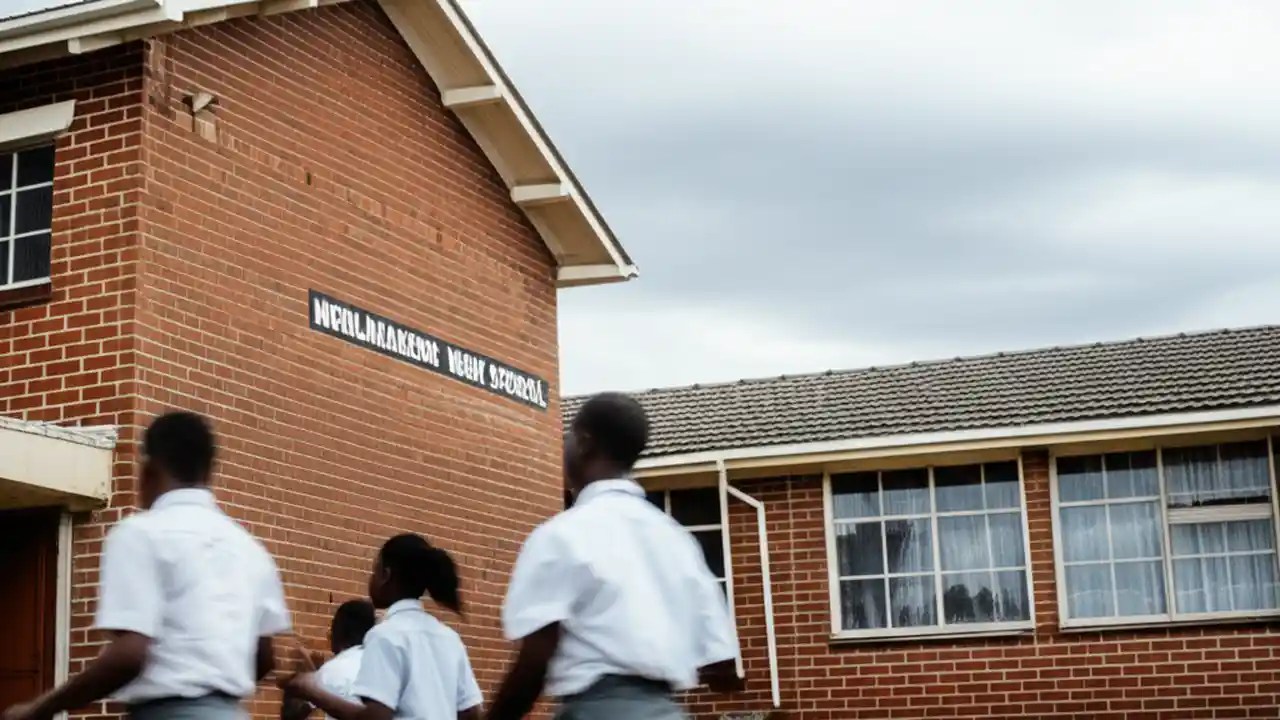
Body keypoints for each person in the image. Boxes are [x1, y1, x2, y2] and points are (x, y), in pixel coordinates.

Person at [2, 411, 292, 720]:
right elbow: (264, 658)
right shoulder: (250, 549)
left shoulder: (140, 534)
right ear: (209, 472)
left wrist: (39, 708)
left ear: (148, 470)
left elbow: (129, 655)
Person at [486, 392, 742, 720]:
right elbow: (723, 667)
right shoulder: (676, 539)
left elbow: (535, 658)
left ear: (584, 443)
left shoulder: (563, 534)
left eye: (568, 436)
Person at [280, 534, 482, 720]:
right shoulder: (449, 638)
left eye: (374, 571)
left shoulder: (385, 635)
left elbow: (375, 717)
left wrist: (311, 690)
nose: (371, 578)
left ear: (386, 575)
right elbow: (471, 712)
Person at [281, 599, 377, 720]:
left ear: (340, 630)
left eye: (332, 627)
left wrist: (303, 676)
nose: (330, 634)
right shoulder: (385, 666)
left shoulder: (334, 670)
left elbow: (292, 715)